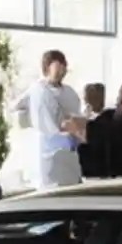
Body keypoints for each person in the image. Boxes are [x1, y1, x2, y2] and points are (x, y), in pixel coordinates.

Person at [13, 49, 85, 189]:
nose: (62, 70)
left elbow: (77, 116)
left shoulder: (69, 92)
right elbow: (16, 107)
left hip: (69, 148)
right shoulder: (37, 89)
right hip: (47, 150)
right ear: (47, 67)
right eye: (58, 66)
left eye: (64, 67)